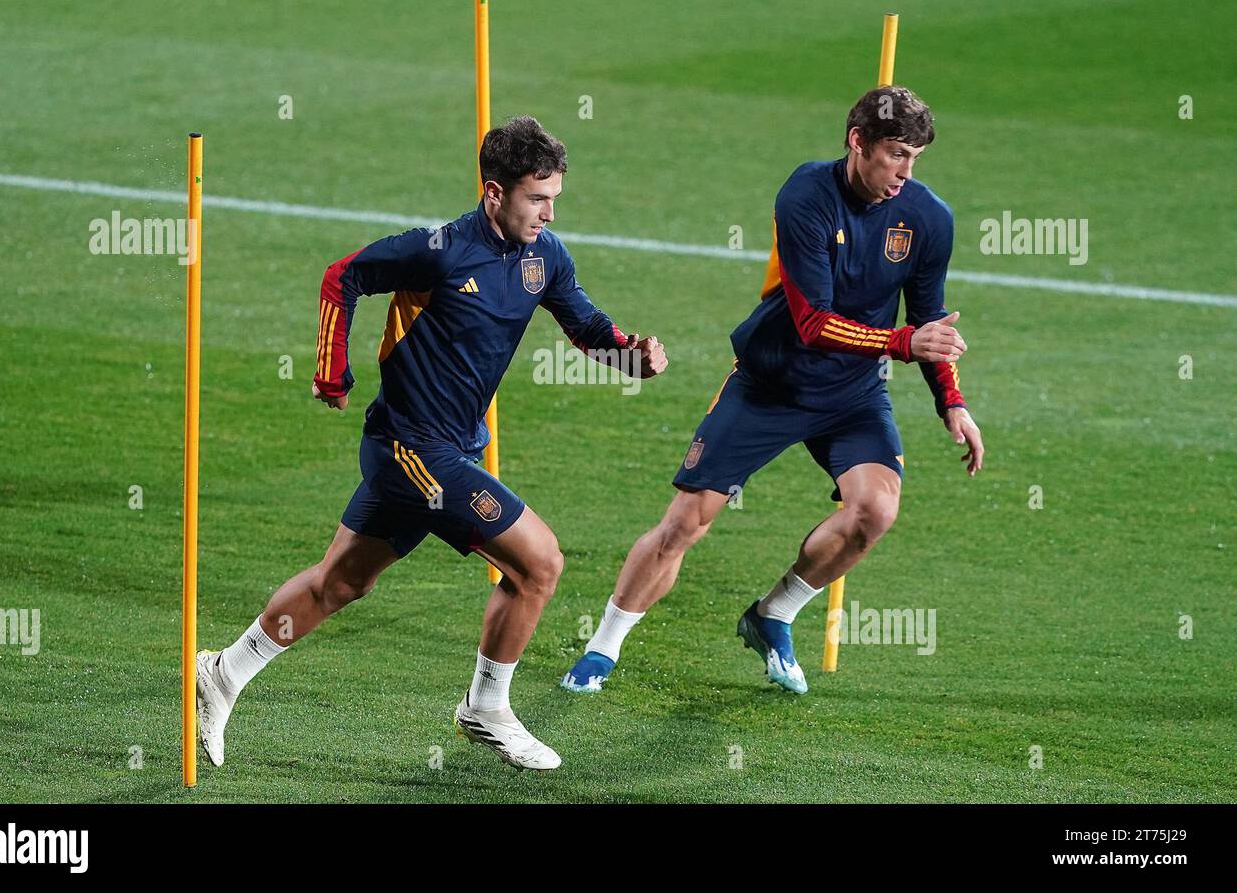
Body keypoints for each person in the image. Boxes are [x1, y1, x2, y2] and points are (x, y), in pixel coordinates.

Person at [197, 116, 667, 770]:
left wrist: (631, 358)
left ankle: (221, 673)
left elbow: (586, 327)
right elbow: (344, 276)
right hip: (408, 451)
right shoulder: (440, 249)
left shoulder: (545, 257)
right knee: (540, 563)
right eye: (537, 196)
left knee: (340, 583)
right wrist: (331, 369)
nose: (549, 210)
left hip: (451, 450)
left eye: (554, 195)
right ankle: (486, 707)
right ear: (495, 194)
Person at [562, 86, 982, 696]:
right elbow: (815, 323)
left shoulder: (928, 218)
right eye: (895, 154)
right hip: (771, 381)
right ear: (856, 141)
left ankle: (773, 614)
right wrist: (901, 343)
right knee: (685, 523)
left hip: (854, 394)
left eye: (915, 157)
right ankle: (604, 646)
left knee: (874, 511)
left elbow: (931, 321)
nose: (905, 173)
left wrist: (952, 400)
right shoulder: (807, 195)